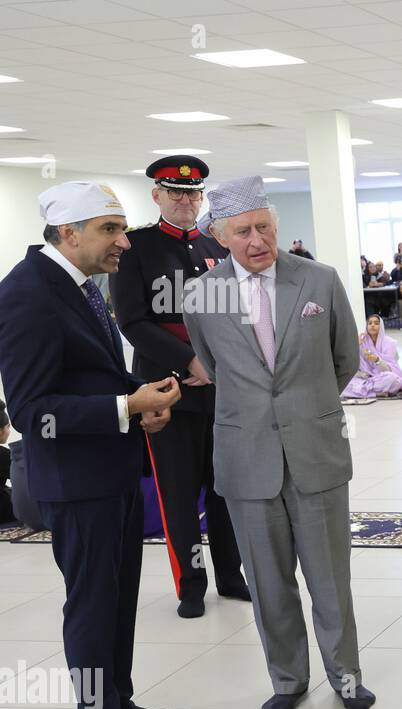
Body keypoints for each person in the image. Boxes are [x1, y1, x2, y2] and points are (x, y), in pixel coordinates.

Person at [0, 181, 185, 709]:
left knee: (119, 594)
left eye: (123, 228)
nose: (124, 242)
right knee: (90, 604)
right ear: (67, 233)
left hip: (110, 469)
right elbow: (32, 411)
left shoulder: (79, 285)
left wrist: (138, 396)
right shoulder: (27, 295)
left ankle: (119, 703)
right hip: (76, 484)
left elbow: (88, 374)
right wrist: (123, 409)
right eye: (110, 230)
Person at [185, 175, 373, 709]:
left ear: (276, 226)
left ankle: (346, 675)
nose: (256, 240)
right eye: (242, 231)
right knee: (267, 581)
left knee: (331, 576)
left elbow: (345, 359)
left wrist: (303, 408)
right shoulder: (202, 294)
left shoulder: (319, 280)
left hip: (315, 451)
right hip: (247, 459)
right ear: (221, 236)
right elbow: (214, 365)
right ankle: (288, 679)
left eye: (264, 227)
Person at [111, 154, 248, 619]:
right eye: (176, 192)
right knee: (177, 491)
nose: (186, 200)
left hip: (220, 387)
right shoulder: (137, 248)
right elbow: (132, 320)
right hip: (166, 389)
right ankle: (191, 585)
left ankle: (232, 576)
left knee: (226, 487)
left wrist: (216, 362)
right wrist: (189, 360)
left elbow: (233, 313)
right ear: (157, 195)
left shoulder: (217, 244)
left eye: (192, 192)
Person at [343, 315, 402, 398]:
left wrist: (377, 360)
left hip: (382, 378)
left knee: (393, 379)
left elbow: (390, 370)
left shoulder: (389, 343)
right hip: (365, 379)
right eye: (370, 323)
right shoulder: (362, 342)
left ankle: (364, 391)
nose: (372, 325)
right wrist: (356, 345)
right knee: (343, 385)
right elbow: (349, 362)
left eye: (376, 323)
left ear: (381, 326)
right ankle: (376, 393)